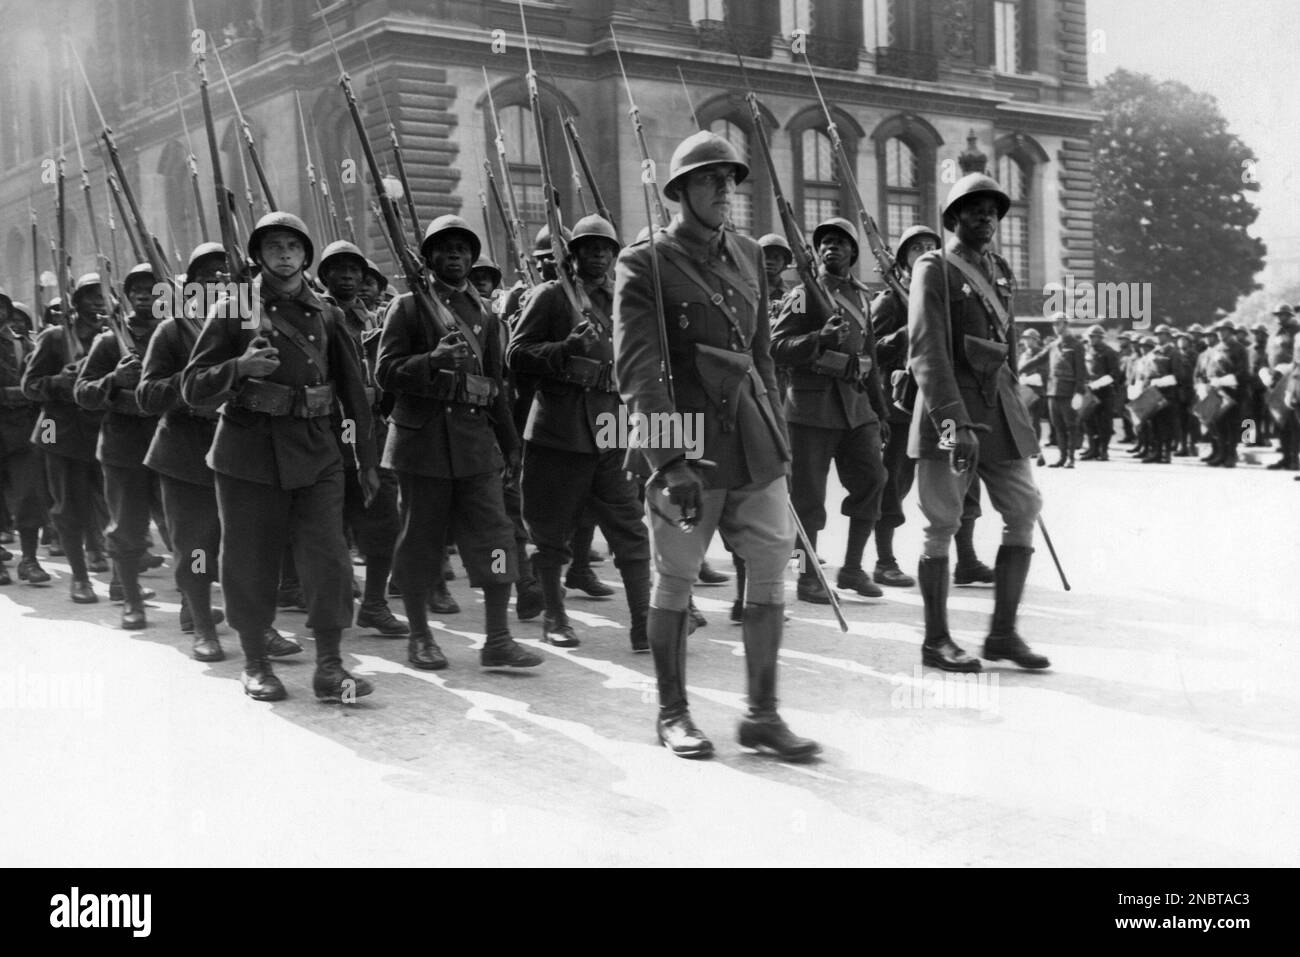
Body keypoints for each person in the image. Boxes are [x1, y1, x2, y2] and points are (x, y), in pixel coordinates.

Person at [614, 129, 818, 761]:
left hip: (753, 441)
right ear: (679, 192)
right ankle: (673, 714)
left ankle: (762, 715)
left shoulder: (752, 252)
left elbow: (760, 356)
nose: (724, 189)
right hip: (689, 447)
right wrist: (668, 460)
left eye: (729, 178)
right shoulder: (643, 261)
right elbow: (638, 368)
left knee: (768, 570)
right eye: (709, 179)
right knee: (675, 579)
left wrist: (777, 438)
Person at [181, 212, 378, 702]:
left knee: (328, 559)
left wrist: (366, 460)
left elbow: (354, 397)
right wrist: (238, 367)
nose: (284, 254)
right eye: (274, 247)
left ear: (306, 255)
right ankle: (256, 662)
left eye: (293, 245)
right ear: (259, 256)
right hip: (247, 453)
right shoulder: (231, 308)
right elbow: (191, 388)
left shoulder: (329, 315)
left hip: (316, 452)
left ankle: (330, 667)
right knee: (249, 560)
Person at [375, 214, 542, 672]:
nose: (456, 256)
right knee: (421, 544)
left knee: (496, 538)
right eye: (445, 249)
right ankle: (420, 636)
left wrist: (511, 446)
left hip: (474, 445)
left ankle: (498, 638)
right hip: (422, 445)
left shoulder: (485, 315)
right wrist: (431, 360)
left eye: (463, 250)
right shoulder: (407, 308)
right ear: (428, 258)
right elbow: (384, 372)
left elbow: (495, 385)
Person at [907, 172, 1050, 674]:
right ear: (952, 218)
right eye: (974, 208)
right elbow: (927, 351)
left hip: (999, 413)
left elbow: (1008, 353)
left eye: (992, 209)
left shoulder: (1001, 269)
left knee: (1024, 506)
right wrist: (954, 421)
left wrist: (1021, 413)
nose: (986, 216)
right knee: (942, 522)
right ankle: (937, 640)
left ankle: (1003, 634)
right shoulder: (934, 268)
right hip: (952, 415)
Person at [139, 243, 296, 662]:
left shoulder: (247, 325)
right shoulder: (172, 330)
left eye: (227, 275)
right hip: (186, 453)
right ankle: (203, 627)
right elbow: (148, 394)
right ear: (190, 286)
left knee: (246, 545)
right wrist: (195, 391)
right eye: (209, 275)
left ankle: (258, 627)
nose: (221, 282)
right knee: (194, 546)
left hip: (241, 449)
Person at [507, 213, 651, 651]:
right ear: (573, 254)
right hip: (560, 428)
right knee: (550, 532)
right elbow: (517, 354)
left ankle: (644, 621)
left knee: (629, 527)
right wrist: (564, 349)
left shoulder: (620, 298)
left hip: (610, 428)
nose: (599, 256)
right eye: (589, 248)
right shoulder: (550, 297)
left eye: (606, 248)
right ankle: (555, 615)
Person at [771, 217, 888, 602]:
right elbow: (777, 346)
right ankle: (805, 577)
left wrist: (881, 411)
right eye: (824, 243)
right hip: (810, 407)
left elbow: (868, 356)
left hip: (855, 407)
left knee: (873, 481)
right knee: (807, 499)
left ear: (853, 252)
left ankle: (853, 569)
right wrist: (816, 340)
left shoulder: (861, 296)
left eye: (840, 242)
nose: (830, 248)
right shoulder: (804, 292)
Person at [72, 265, 167, 629]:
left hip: (170, 444)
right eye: (137, 290)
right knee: (126, 529)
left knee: (188, 534)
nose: (144, 295)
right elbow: (83, 393)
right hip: (123, 448)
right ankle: (130, 598)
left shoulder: (176, 333)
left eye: (152, 289)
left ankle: (195, 601)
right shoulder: (110, 340)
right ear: (127, 296)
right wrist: (115, 379)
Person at [20, 274, 110, 604]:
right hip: (61, 432)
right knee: (69, 506)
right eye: (91, 296)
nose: (100, 302)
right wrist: (59, 381)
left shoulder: (112, 337)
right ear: (77, 302)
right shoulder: (56, 337)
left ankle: (112, 566)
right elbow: (31, 386)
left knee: (109, 505)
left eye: (104, 295)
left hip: (102, 432)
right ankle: (80, 578)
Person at [870, 225, 940, 588]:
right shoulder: (890, 301)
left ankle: (965, 558)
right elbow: (872, 349)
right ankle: (884, 560)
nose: (925, 252)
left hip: (934, 405)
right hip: (899, 407)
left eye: (931, 246)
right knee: (893, 484)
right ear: (902, 261)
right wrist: (908, 330)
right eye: (917, 248)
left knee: (942, 485)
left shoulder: (938, 296)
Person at [0, 287, 50, 587]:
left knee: (30, 495)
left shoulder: (25, 344)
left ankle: (29, 560)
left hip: (23, 431)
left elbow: (39, 381)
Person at [1020, 312, 1087, 468]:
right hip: (1052, 391)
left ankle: (1071, 458)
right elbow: (1037, 360)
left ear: (1065, 324)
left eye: (1058, 324)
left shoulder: (1076, 345)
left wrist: (1079, 392)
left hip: (1068, 392)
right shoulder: (1053, 345)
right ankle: (1062, 457)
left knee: (1071, 425)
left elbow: (1081, 371)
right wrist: (1018, 369)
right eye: (1054, 324)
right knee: (1058, 426)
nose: (1055, 327)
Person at [1079, 325, 1120, 461]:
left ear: (1101, 337)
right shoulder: (1087, 350)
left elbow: (1114, 374)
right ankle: (1092, 448)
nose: (1091, 339)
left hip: (1105, 392)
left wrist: (1096, 384)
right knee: (1089, 421)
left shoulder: (1110, 352)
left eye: (1094, 336)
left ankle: (1104, 450)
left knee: (1104, 423)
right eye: (1090, 336)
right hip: (1089, 391)